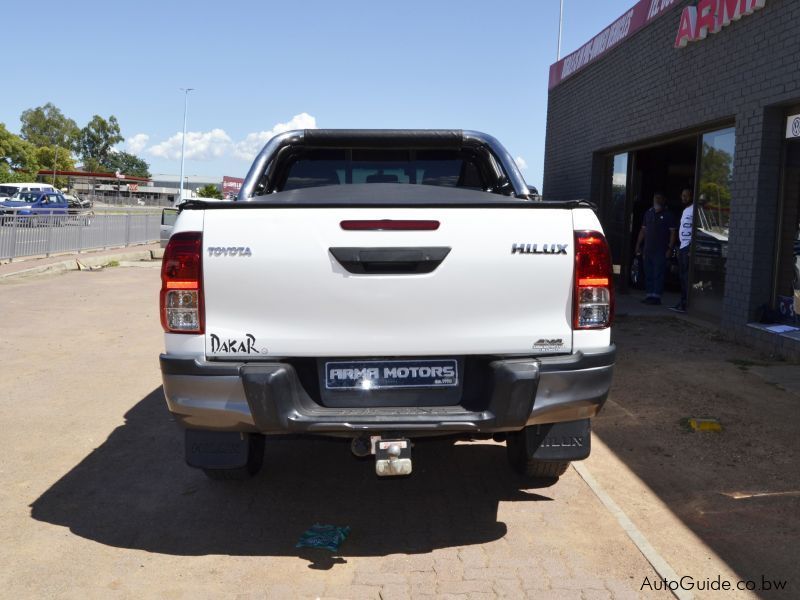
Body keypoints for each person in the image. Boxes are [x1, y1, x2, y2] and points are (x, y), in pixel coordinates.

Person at [635, 193, 677, 305]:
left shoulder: (668, 215)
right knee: (648, 272)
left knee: (658, 273)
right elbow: (643, 230)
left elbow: (673, 233)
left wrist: (670, 248)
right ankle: (649, 295)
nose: (657, 200)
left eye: (659, 198)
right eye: (655, 198)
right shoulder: (648, 213)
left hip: (661, 250)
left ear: (664, 200)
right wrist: (638, 245)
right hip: (648, 249)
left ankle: (656, 297)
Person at [670, 188, 694, 313]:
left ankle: (685, 303)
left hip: (688, 247)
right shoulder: (685, 210)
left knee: (686, 277)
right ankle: (682, 301)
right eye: (683, 195)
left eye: (687, 196)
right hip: (683, 246)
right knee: (682, 276)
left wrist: (691, 247)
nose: (684, 198)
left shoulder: (694, 209)